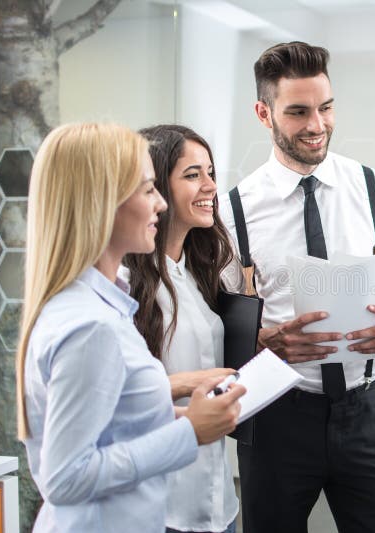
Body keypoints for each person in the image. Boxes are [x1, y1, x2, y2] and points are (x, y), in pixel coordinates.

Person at [219, 41, 375, 532]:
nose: (317, 125)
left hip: (364, 411)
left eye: (325, 108)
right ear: (264, 114)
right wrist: (265, 342)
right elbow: (219, 323)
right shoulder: (231, 211)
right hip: (277, 418)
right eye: (298, 112)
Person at [16, 123, 245, 533]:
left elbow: (116, 422)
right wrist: (189, 431)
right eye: (146, 189)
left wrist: (184, 414)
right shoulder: (90, 326)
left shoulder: (99, 305)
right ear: (101, 202)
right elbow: (66, 478)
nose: (159, 203)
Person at [122, 125, 239, 533]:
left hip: (218, 502)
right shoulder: (126, 282)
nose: (209, 186)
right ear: (154, 185)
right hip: (161, 508)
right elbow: (120, 394)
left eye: (210, 172)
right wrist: (188, 383)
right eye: (192, 175)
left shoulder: (199, 274)